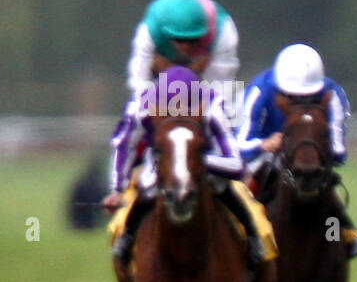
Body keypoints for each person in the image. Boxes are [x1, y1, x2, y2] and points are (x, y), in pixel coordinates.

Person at [103, 66, 268, 269]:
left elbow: (236, 164)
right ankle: (128, 236)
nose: (178, 115)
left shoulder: (213, 104)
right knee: (147, 188)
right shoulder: (140, 105)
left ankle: (252, 234)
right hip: (162, 159)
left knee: (221, 187)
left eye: (185, 108)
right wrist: (117, 189)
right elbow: (123, 144)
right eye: (170, 109)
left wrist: (198, 161)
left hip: (204, 160)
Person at [235, 43, 357, 258]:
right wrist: (265, 144)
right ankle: (244, 233)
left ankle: (338, 236)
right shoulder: (260, 89)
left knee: (326, 186)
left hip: (310, 157)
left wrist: (310, 146)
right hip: (265, 155)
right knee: (253, 183)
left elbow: (339, 152)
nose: (300, 102)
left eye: (309, 96)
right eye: (291, 96)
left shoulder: (332, 94)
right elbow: (240, 145)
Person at [124, 0, 241, 128]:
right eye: (179, 40)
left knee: (222, 117)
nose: (186, 47)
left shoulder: (223, 32)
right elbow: (140, 83)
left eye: (192, 40)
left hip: (205, 72)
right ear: (166, 33)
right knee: (136, 115)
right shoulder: (149, 31)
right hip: (161, 71)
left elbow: (218, 90)